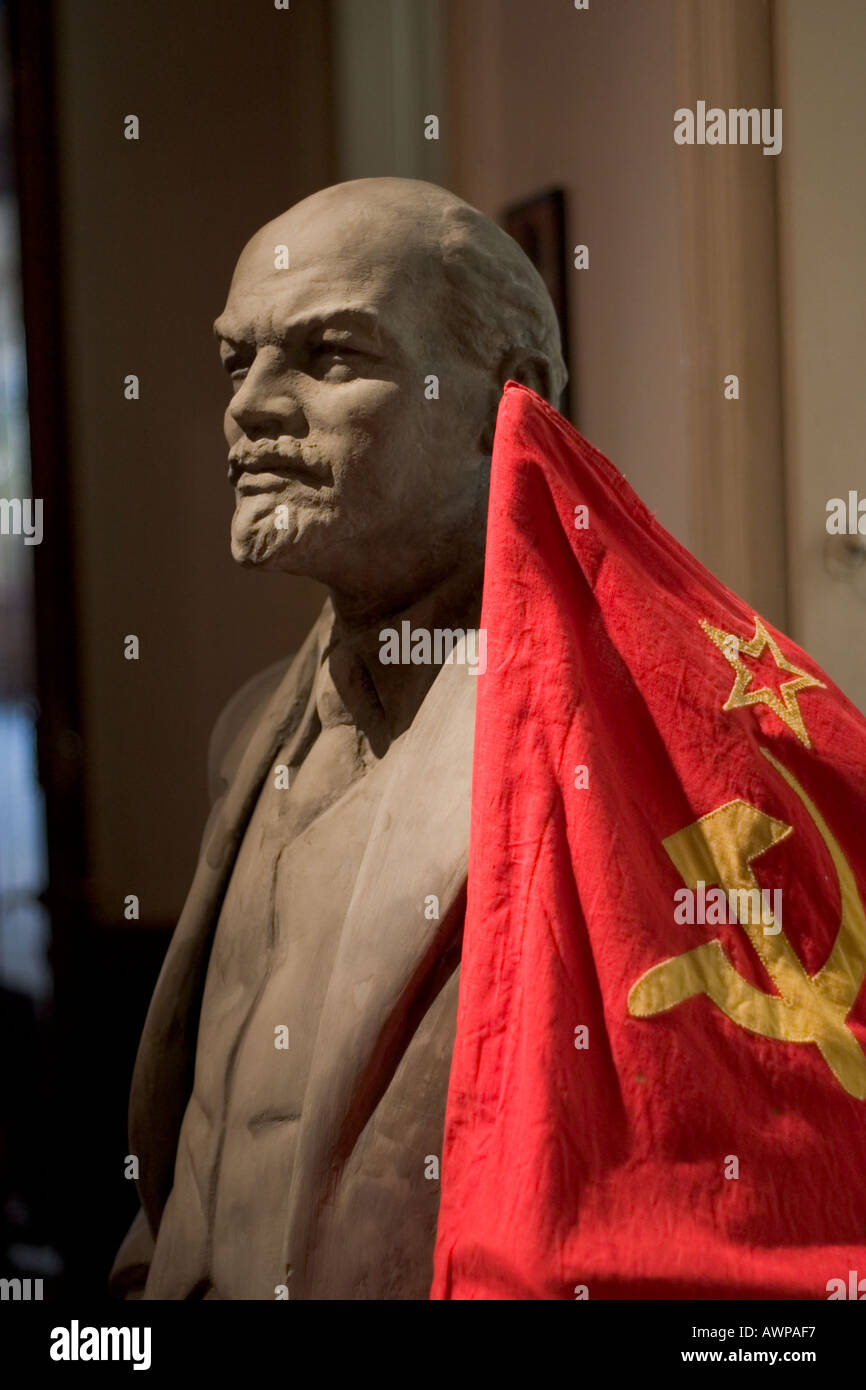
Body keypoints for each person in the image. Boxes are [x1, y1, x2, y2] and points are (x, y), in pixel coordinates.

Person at [111, 177, 567, 1300]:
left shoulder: (584, 753)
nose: (250, 407)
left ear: (508, 400)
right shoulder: (248, 734)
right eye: (237, 360)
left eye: (327, 356)